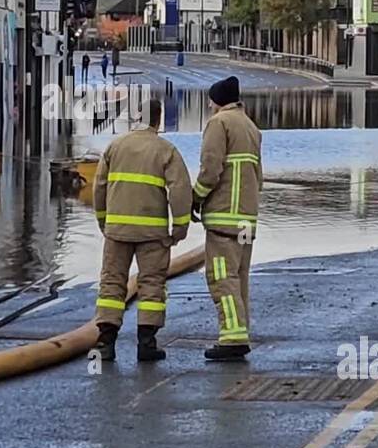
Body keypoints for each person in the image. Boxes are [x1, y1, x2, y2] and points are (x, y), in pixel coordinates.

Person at [92, 98, 193, 362]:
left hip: (117, 231)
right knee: (151, 285)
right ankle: (146, 344)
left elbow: (99, 186)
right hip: (153, 234)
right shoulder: (166, 150)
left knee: (112, 283)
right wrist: (180, 227)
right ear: (158, 120)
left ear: (137, 116)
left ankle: (105, 344)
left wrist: (104, 221)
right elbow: (180, 190)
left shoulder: (115, 146)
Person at [192, 75, 263, 362]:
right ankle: (241, 332)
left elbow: (211, 170)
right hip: (247, 219)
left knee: (222, 277)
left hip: (224, 218)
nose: (209, 106)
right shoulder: (251, 126)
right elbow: (258, 177)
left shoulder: (219, 124)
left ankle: (232, 338)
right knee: (240, 277)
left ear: (218, 100)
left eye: (211, 101)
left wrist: (194, 198)